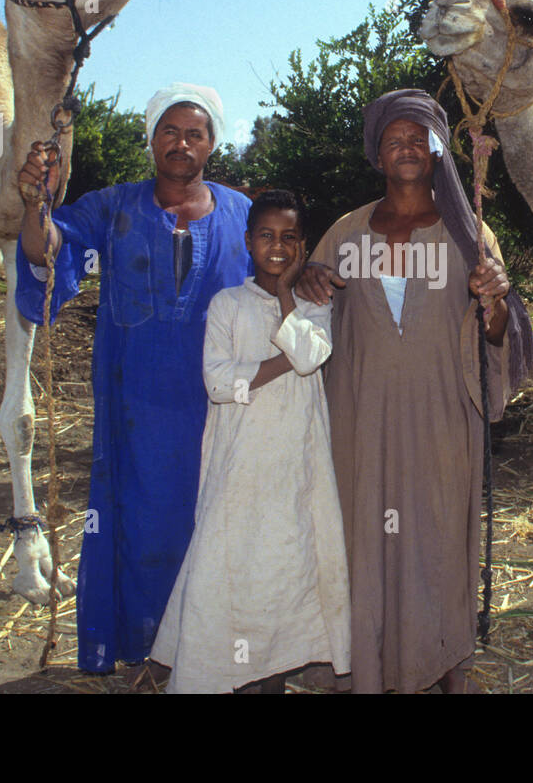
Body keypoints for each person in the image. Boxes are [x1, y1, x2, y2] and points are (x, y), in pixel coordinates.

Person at [297, 89, 533, 693]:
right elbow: (306, 319)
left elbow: (495, 336)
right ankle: (370, 672)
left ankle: (447, 665)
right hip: (362, 422)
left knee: (438, 539)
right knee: (366, 542)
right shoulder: (346, 235)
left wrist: (498, 303)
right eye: (393, 139)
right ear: (377, 156)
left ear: (435, 154)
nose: (406, 148)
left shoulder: (469, 235)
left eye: (418, 138)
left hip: (443, 421)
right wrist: (307, 279)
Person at [16, 83, 253, 673]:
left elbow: (279, 278)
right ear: (152, 141)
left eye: (194, 133)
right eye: (169, 132)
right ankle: (147, 652)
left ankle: (209, 655)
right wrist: (34, 204)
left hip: (219, 404)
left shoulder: (242, 212)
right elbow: (48, 252)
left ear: (211, 145)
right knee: (141, 527)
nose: (181, 143)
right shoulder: (113, 206)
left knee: (214, 527)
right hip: (136, 407)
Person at [149, 190, 352, 693]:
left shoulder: (313, 303)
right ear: (248, 242)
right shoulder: (228, 304)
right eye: (266, 235)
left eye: (288, 238)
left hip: (296, 464)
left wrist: (287, 295)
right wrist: (287, 359)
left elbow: (311, 352)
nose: (276, 246)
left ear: (303, 246)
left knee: (287, 563)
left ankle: (273, 676)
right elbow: (220, 383)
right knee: (231, 560)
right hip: (238, 462)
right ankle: (214, 671)